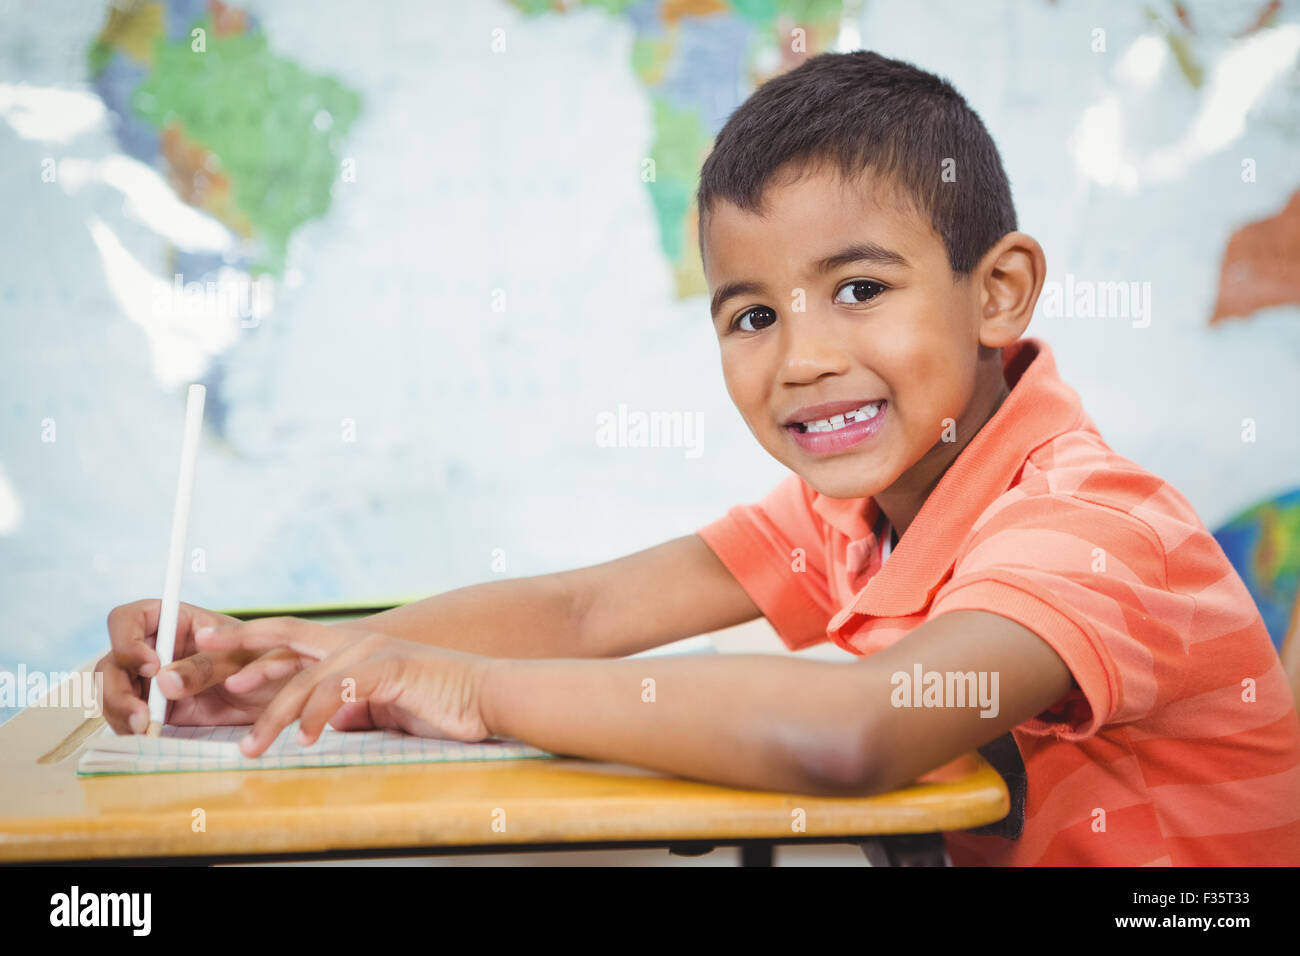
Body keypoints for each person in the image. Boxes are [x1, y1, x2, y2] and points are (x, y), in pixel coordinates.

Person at [99, 51, 1300, 865]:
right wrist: (307, 668)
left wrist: (463, 687)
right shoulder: (860, 508)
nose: (802, 357)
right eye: (752, 315)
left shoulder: (1093, 523)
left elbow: (868, 724)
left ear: (998, 293)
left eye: (860, 288)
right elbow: (584, 608)